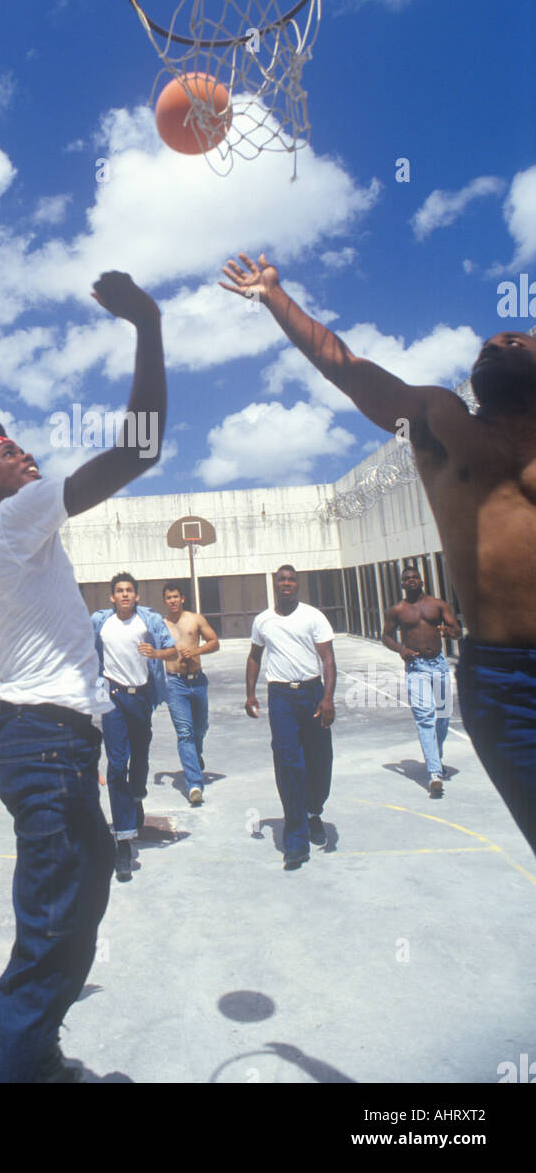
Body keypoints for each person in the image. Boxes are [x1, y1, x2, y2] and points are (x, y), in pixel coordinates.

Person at [220, 252, 536, 855]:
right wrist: (274, 298)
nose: (496, 345)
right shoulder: (444, 420)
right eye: (487, 345)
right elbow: (349, 369)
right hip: (506, 678)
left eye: (515, 341)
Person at [0, 269, 167, 1084]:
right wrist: (145, 325)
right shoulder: (11, 520)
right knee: (48, 941)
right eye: (7, 453)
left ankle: (33, 1057)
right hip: (46, 747)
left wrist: (46, 731)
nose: (25, 453)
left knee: (74, 923)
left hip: (40, 741)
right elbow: (140, 447)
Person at [245, 565, 336, 870]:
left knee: (320, 761)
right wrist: (250, 694)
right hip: (281, 696)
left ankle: (313, 811)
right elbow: (254, 657)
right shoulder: (263, 621)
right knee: (288, 763)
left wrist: (327, 698)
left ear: (297, 584)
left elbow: (328, 659)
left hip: (312, 693)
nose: (286, 583)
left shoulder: (313, 616)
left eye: (291, 579)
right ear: (275, 584)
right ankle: (295, 841)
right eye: (281, 579)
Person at [91, 574, 176, 877]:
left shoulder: (148, 622)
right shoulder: (101, 623)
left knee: (140, 757)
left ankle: (137, 795)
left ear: (136, 596)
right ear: (112, 598)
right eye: (119, 591)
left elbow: (173, 650)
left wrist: (157, 654)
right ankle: (124, 842)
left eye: (129, 591)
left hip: (140, 696)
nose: (124, 595)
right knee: (116, 765)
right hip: (112, 697)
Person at [382, 564, 462, 798]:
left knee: (443, 717)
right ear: (402, 584)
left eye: (415, 577)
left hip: (438, 663)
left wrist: (449, 632)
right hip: (416, 667)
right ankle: (435, 774)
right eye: (407, 579)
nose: (411, 581)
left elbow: (456, 629)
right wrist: (401, 649)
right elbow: (385, 635)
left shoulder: (437, 604)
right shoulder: (397, 610)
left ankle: (435, 756)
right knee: (425, 717)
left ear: (422, 581)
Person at [160, 584, 220, 806]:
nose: (172, 600)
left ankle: (195, 756)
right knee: (185, 733)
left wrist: (197, 650)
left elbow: (214, 642)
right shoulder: (161, 625)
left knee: (200, 728)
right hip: (174, 683)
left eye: (175, 596)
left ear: (182, 598)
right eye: (168, 598)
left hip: (197, 681)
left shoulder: (195, 619)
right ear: (165, 601)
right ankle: (194, 784)